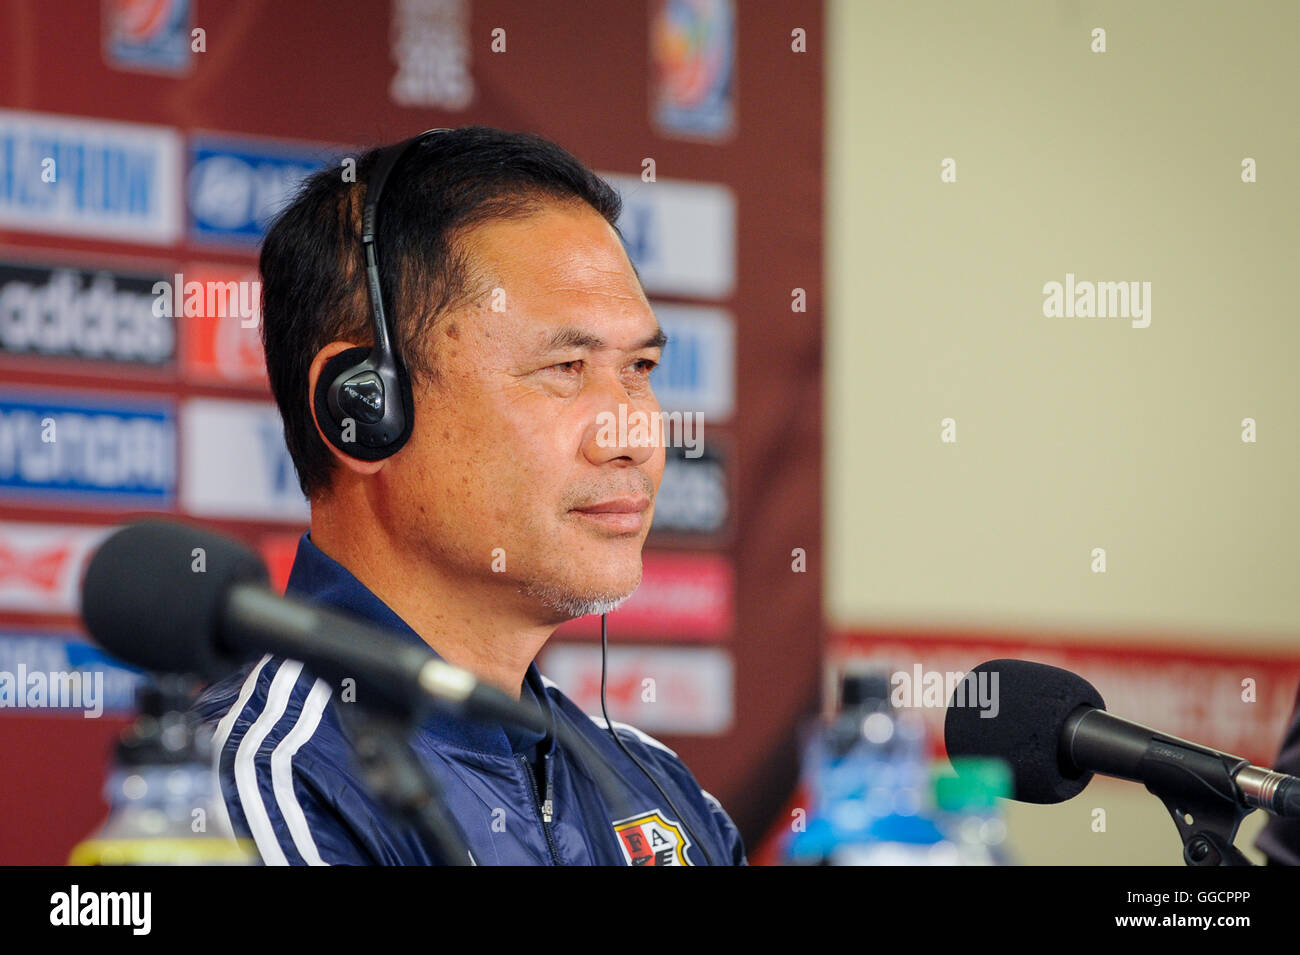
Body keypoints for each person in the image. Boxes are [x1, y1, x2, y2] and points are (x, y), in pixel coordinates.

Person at [192, 126, 746, 866]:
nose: (635, 435)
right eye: (567, 366)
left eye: (639, 367)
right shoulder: (258, 783)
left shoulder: (661, 793)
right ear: (362, 407)